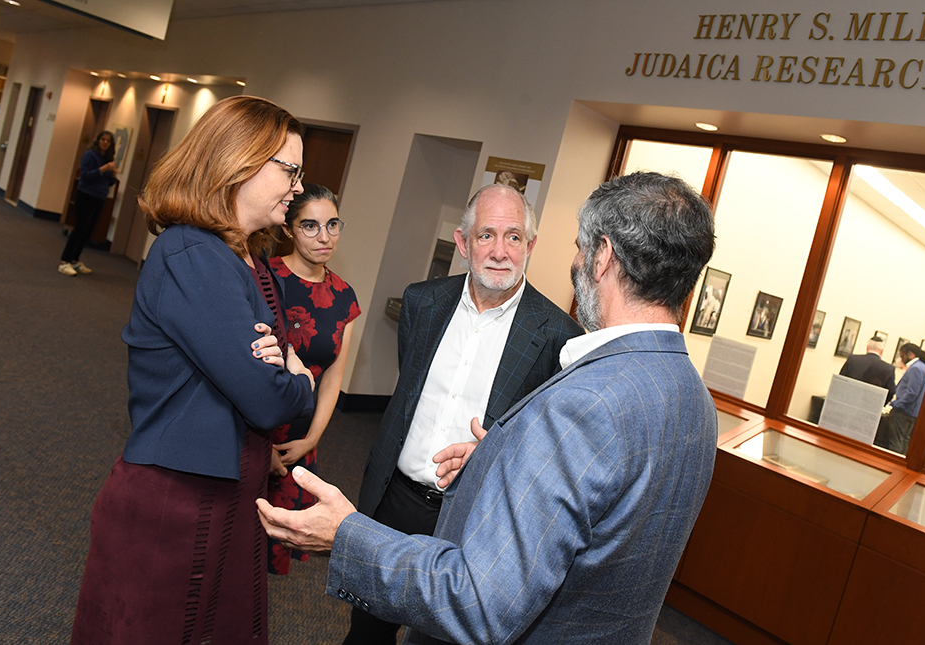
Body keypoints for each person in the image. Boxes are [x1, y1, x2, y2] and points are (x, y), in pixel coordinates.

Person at [257, 171, 719, 645]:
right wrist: (503, 454)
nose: (575, 261)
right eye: (487, 236)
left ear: (601, 256)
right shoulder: (696, 401)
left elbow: (480, 602)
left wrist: (346, 536)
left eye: (581, 247)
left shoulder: (580, 404)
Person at [71, 96, 317, 644]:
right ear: (240, 160)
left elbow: (268, 378)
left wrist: (284, 375)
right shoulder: (193, 255)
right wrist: (300, 381)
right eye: (290, 170)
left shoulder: (242, 259)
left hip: (224, 492)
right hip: (174, 502)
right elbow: (268, 398)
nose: (298, 187)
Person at [341, 183, 583, 643]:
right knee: (365, 631)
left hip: (475, 521)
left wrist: (497, 451)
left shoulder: (558, 336)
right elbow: (408, 392)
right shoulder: (421, 303)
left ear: (530, 246)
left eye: (514, 237)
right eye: (486, 235)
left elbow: (546, 444)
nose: (499, 251)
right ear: (463, 242)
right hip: (394, 501)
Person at [266, 183, 361, 575]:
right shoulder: (263, 277)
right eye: (310, 226)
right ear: (288, 228)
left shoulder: (344, 297)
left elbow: (334, 377)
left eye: (332, 224)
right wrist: (262, 445)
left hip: (301, 437)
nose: (324, 237)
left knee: (271, 545)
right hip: (250, 428)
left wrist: (311, 439)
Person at [59, 130, 116, 276]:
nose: (105, 143)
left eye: (108, 141)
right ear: (98, 141)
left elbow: (108, 182)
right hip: (86, 195)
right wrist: (102, 169)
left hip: (99, 197)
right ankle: (65, 261)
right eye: (103, 139)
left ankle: (75, 260)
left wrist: (113, 175)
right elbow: (85, 176)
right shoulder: (90, 155)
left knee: (88, 231)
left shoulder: (108, 159)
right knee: (79, 228)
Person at [874, 342, 925, 454]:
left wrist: (897, 404)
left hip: (904, 412)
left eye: (902, 355)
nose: (901, 358)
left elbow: (912, 393)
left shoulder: (916, 368)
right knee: (904, 441)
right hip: (914, 412)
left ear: (910, 354)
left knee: (896, 442)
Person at [839, 337, 897, 404]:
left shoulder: (853, 359)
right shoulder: (888, 368)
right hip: (870, 405)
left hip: (847, 401)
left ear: (867, 347)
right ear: (882, 351)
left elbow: (841, 380)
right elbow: (891, 392)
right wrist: (880, 405)